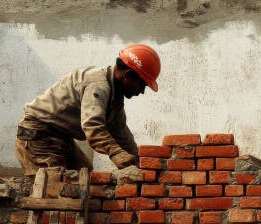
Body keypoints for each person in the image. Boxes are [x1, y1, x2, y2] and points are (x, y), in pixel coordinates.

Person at [14, 43, 161, 176]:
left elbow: (120, 131)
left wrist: (138, 161)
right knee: (56, 185)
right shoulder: (98, 84)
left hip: (59, 136)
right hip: (38, 134)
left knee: (84, 173)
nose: (142, 91)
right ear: (127, 75)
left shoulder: (115, 94)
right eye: (142, 85)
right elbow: (93, 126)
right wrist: (116, 153)